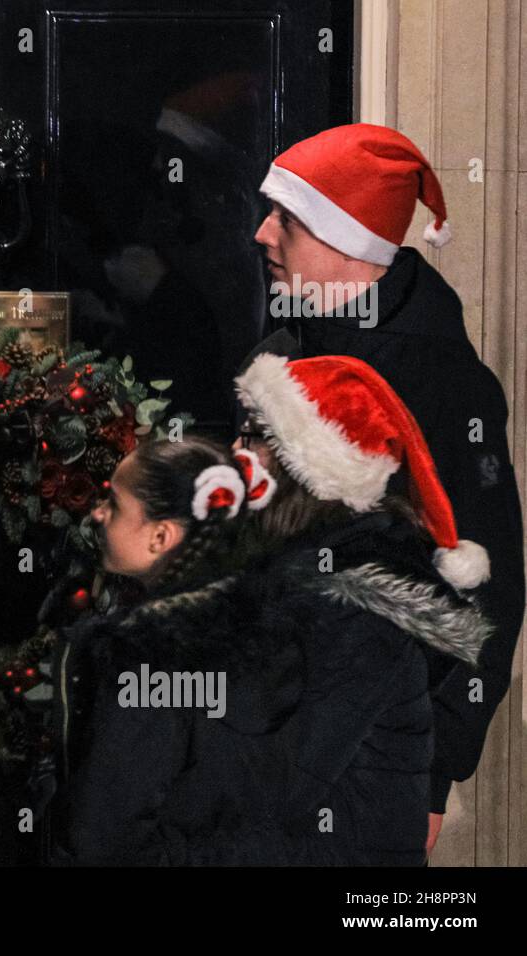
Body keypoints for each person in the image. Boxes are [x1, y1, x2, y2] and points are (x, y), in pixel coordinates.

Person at [53, 354, 493, 865]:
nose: (237, 451)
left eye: (256, 436)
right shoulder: (280, 575)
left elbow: (268, 785)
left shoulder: (354, 612)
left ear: (306, 469)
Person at [242, 123, 525, 851]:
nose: (262, 234)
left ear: (350, 242)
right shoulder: (287, 344)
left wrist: (434, 773)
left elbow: (490, 584)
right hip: (264, 739)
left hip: (372, 759)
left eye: (289, 221)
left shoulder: (444, 380)